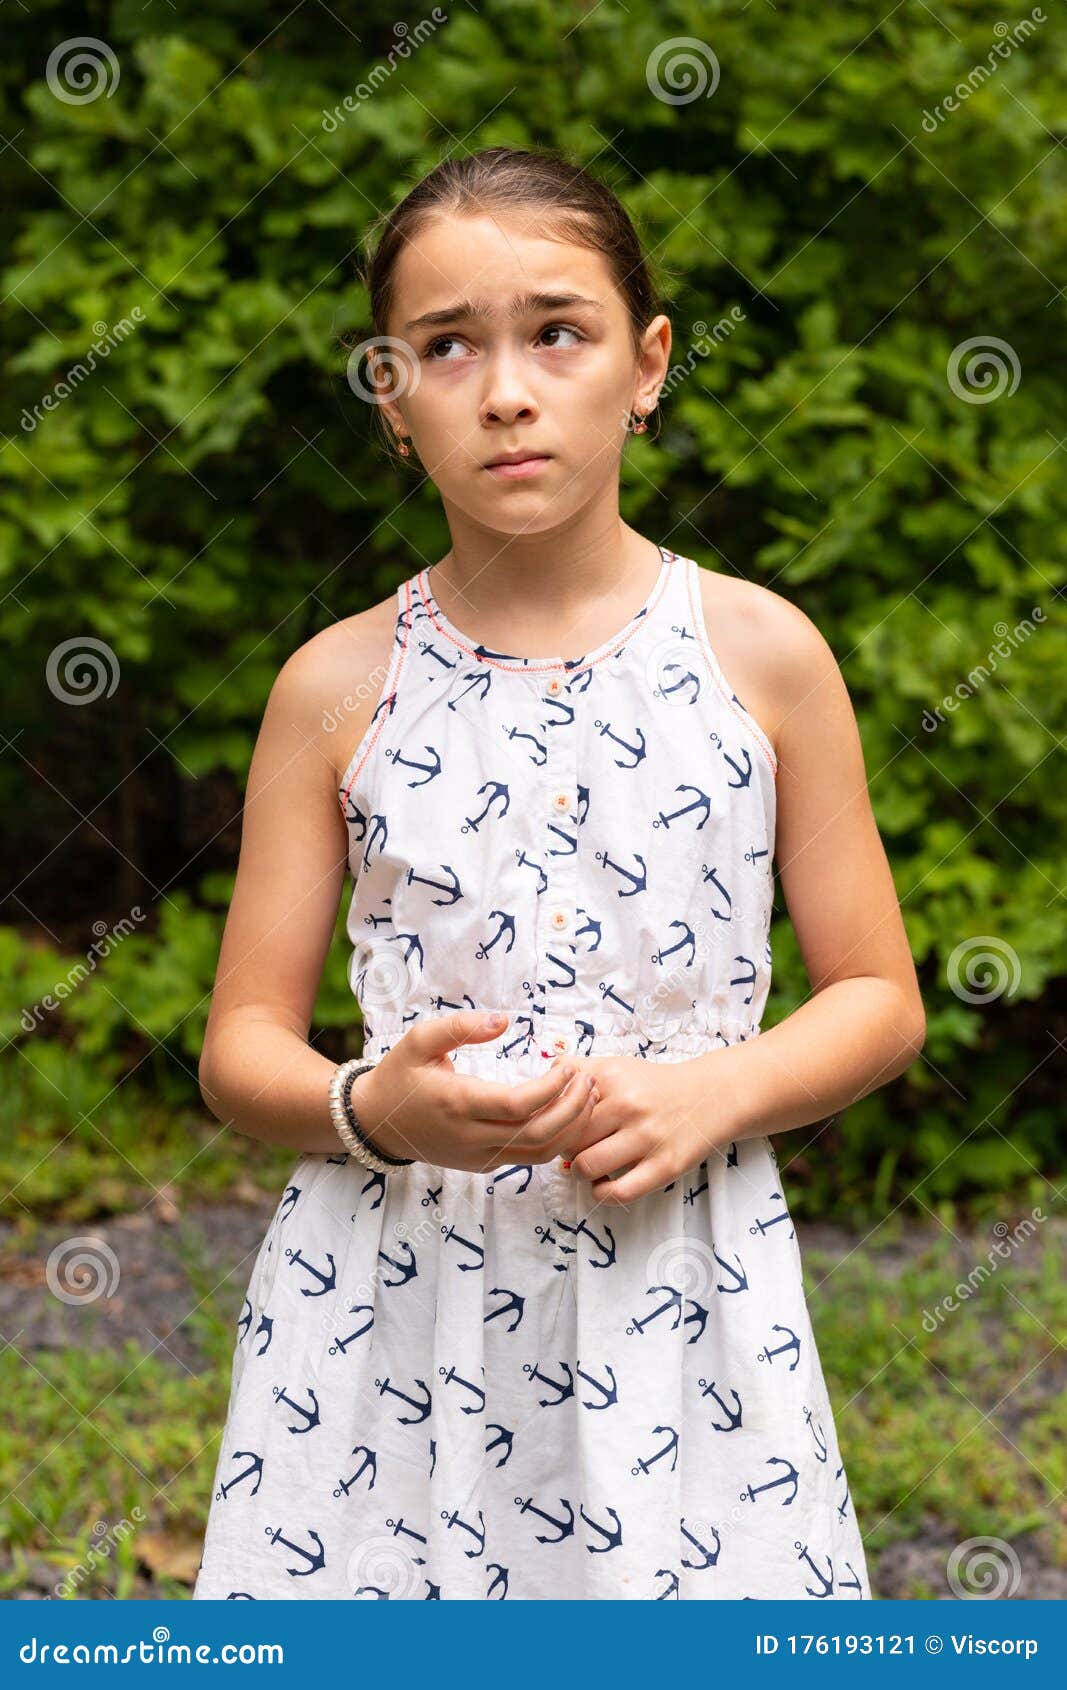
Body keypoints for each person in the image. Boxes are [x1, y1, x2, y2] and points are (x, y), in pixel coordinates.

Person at [192, 146, 924, 1601]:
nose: (506, 390)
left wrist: (715, 1087)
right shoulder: (335, 685)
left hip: (679, 1279)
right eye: (446, 347)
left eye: (558, 333)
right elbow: (238, 1045)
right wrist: (371, 1105)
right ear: (392, 403)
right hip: (394, 1291)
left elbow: (880, 997)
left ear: (648, 366)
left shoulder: (762, 655)